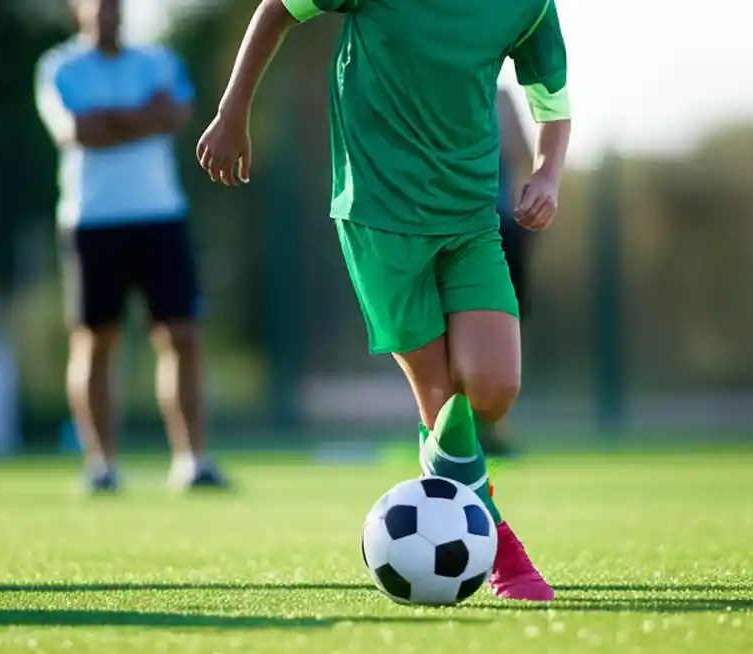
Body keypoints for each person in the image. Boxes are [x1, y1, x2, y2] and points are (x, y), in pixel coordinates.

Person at [196, 0, 571, 600]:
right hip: (378, 216)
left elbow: (550, 95)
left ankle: (448, 483)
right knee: (442, 397)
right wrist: (232, 111)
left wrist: (547, 174)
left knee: (494, 388)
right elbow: (277, 11)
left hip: (471, 218)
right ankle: (504, 554)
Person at [35, 0, 228, 493]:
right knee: (96, 342)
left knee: (182, 335)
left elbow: (173, 115)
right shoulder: (59, 67)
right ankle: (102, 466)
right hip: (92, 221)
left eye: (114, 5)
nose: (107, 13)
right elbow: (75, 131)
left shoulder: (158, 61)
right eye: (97, 6)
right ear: (77, 10)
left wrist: (110, 121)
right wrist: (139, 117)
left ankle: (193, 461)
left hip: (160, 217)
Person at [478, 87, 537, 456]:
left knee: (502, 332)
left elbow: (526, 157)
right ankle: (452, 430)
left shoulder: (500, 98)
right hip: (454, 228)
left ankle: (492, 430)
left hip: (501, 230)